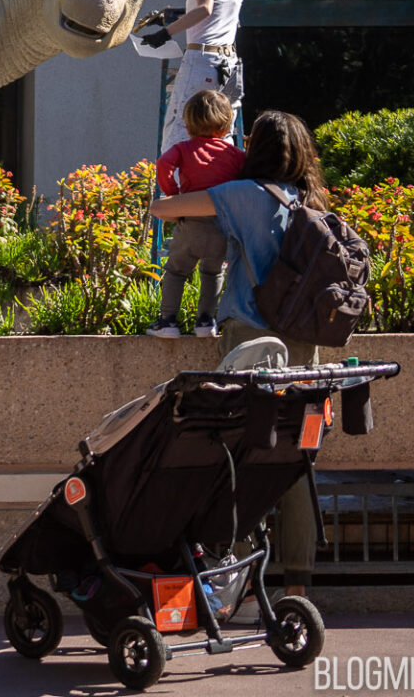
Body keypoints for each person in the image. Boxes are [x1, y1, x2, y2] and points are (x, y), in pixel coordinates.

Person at [148, 109, 330, 599]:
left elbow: (162, 211)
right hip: (302, 342)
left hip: (249, 337)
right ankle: (296, 590)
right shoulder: (310, 201)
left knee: (241, 455)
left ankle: (243, 587)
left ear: (257, 150)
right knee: (295, 457)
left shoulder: (242, 196)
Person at [139, 0, 255, 153]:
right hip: (229, 65)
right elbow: (214, 14)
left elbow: (204, 9)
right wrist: (173, 16)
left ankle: (177, 188)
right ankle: (219, 184)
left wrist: (166, 33)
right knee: (222, 133)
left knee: (179, 129)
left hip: (203, 62)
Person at [145, 89, 244, 338]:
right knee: (213, 272)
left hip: (190, 223)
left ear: (188, 124)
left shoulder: (183, 149)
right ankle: (206, 321)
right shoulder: (234, 155)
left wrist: (175, 194)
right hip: (222, 226)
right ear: (226, 124)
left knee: (177, 271)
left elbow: (164, 164)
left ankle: (167, 321)